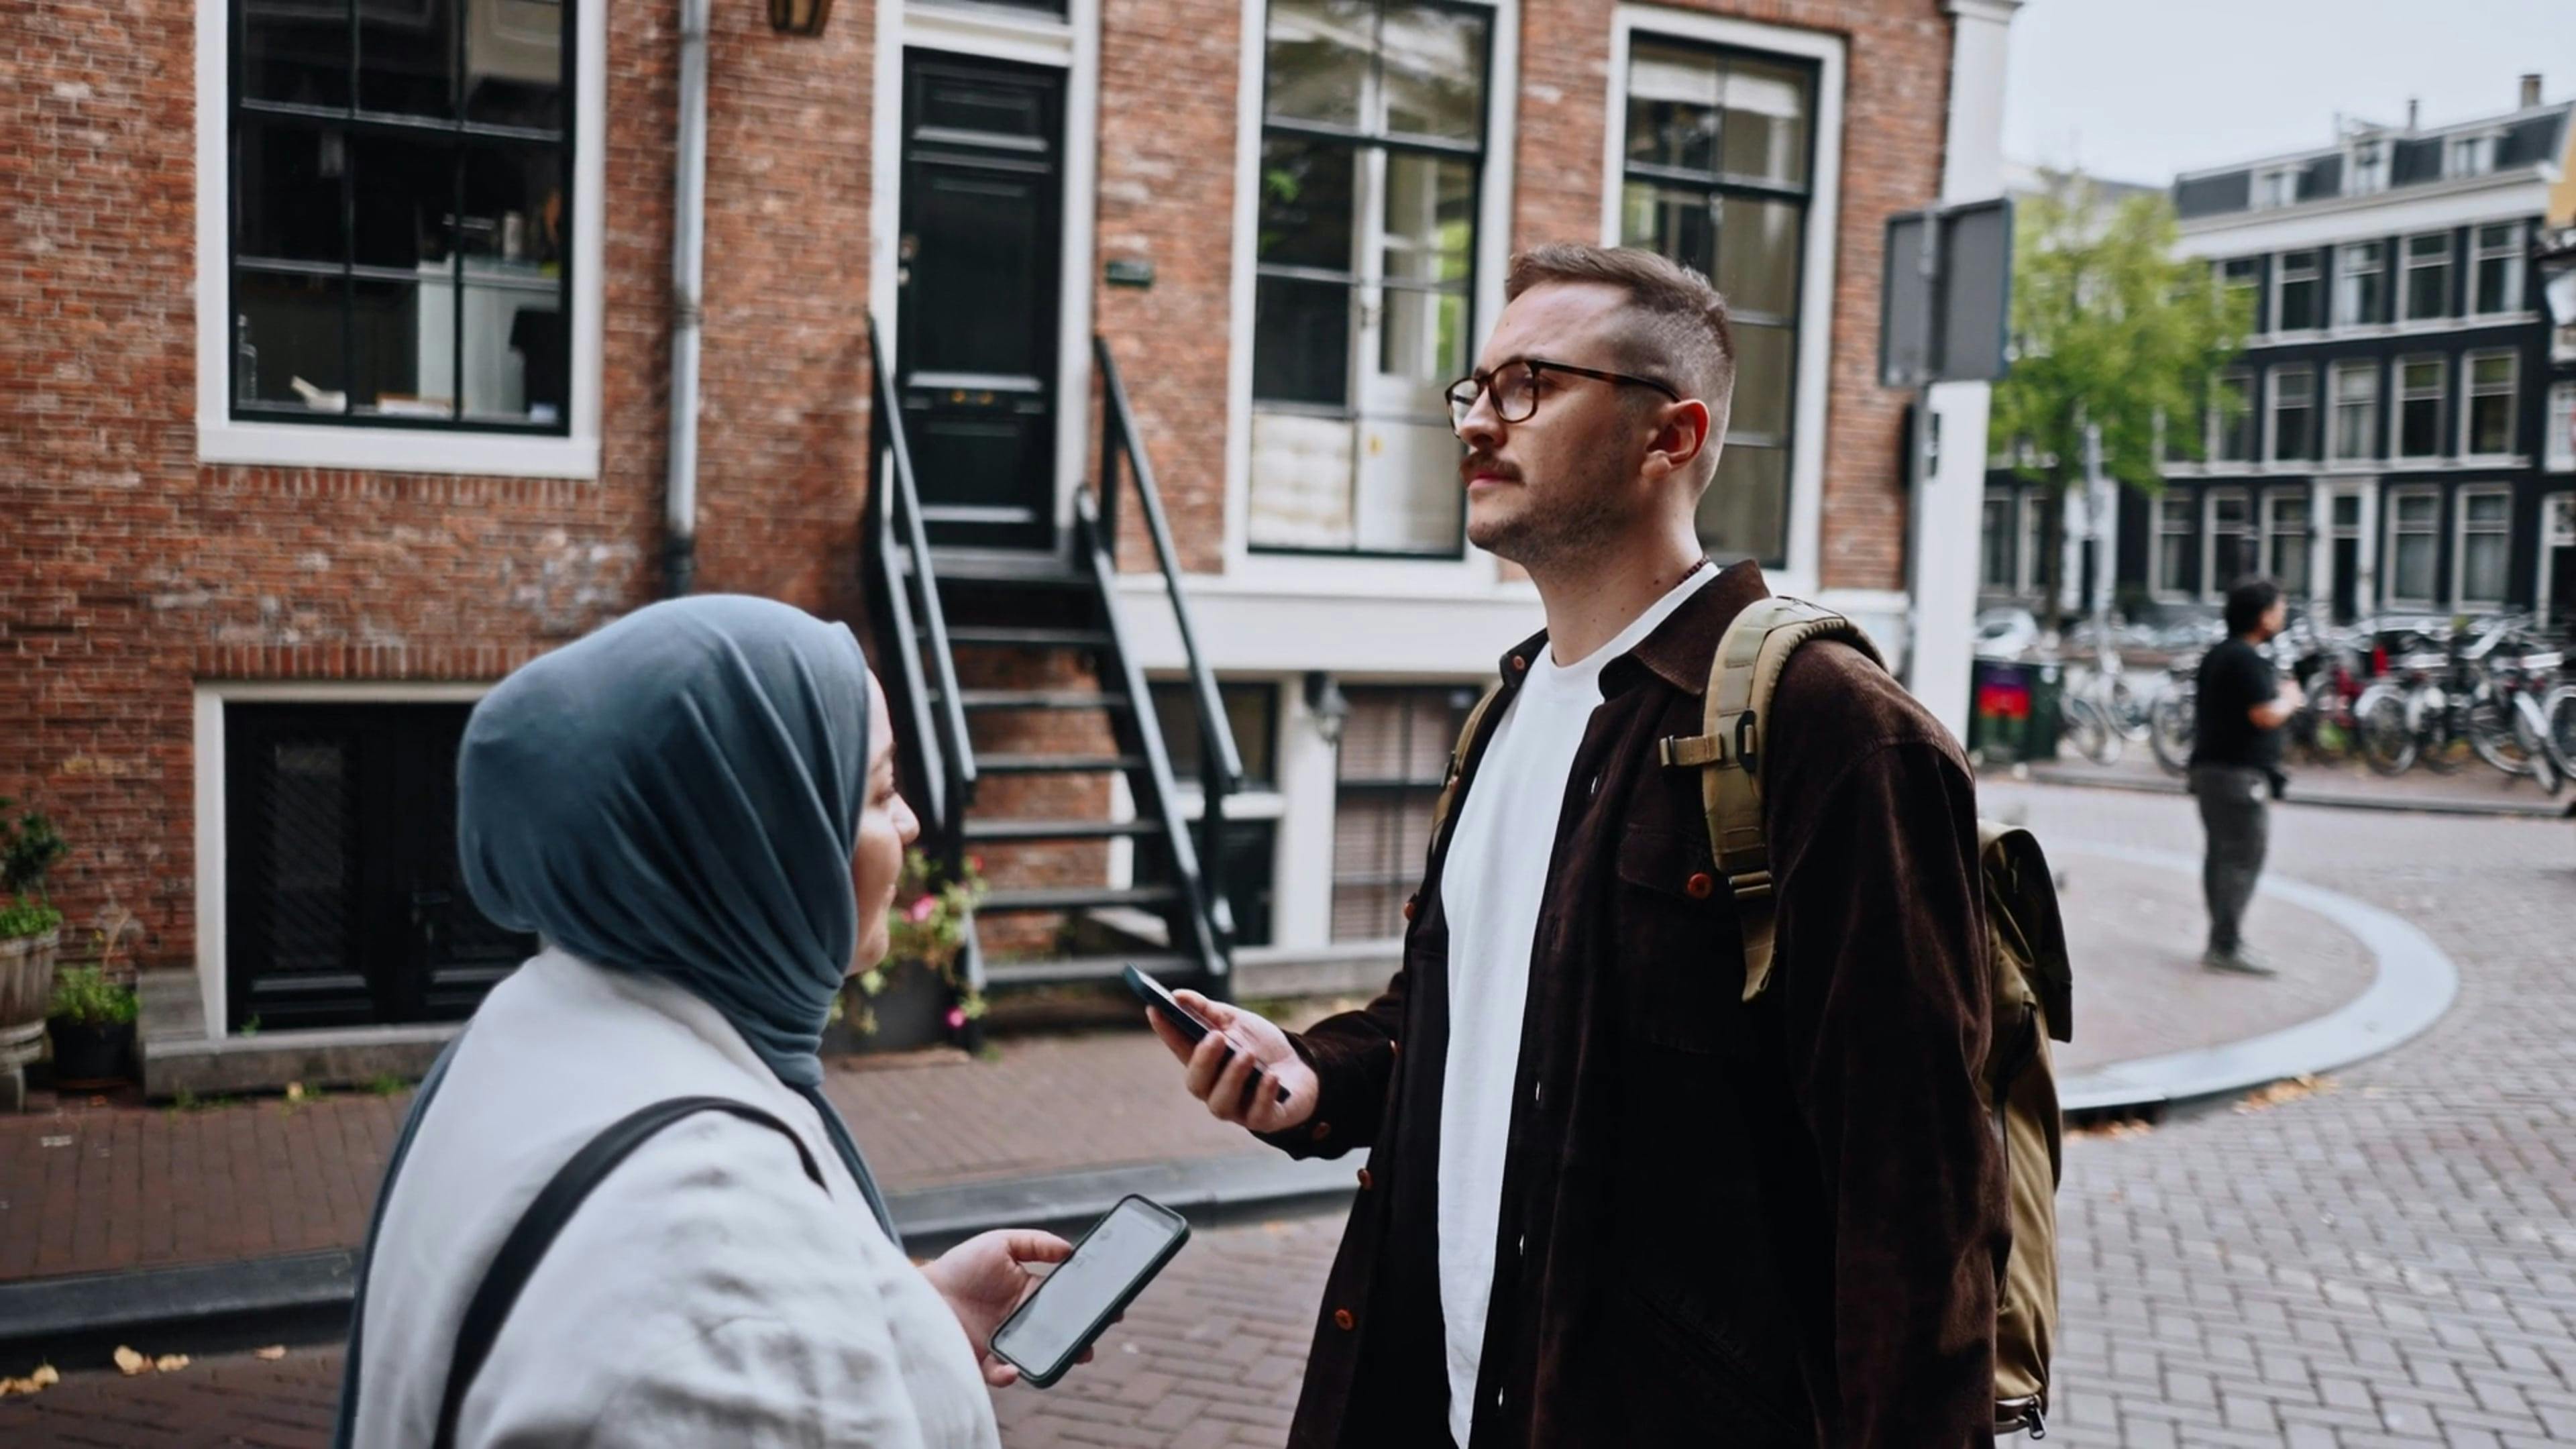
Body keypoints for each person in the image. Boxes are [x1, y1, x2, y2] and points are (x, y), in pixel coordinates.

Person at [1150, 244, 2006, 1447]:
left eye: (1529, 387)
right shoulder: (1505, 711)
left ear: (1671, 435)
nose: (1478, 426)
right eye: (1476, 388)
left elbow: (1915, 1199)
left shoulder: (1835, 735)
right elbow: (1463, 1018)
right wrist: (1313, 1079)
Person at [337, 595, 1082, 1448]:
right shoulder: (722, 1272)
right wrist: (802, 1319)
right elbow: (731, 1332)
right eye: (877, 792)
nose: (911, 822)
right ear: (766, 841)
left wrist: (914, 1313)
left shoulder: (536, 1026)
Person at [2188, 576, 2303, 976]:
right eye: (2278, 608)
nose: (2283, 614)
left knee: (2221, 856)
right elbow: (2263, 715)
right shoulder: (2246, 659)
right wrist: (2289, 700)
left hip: (2211, 773)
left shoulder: (2218, 654)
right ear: (2262, 616)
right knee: (2242, 857)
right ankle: (2226, 943)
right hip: (2238, 778)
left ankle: (2222, 937)